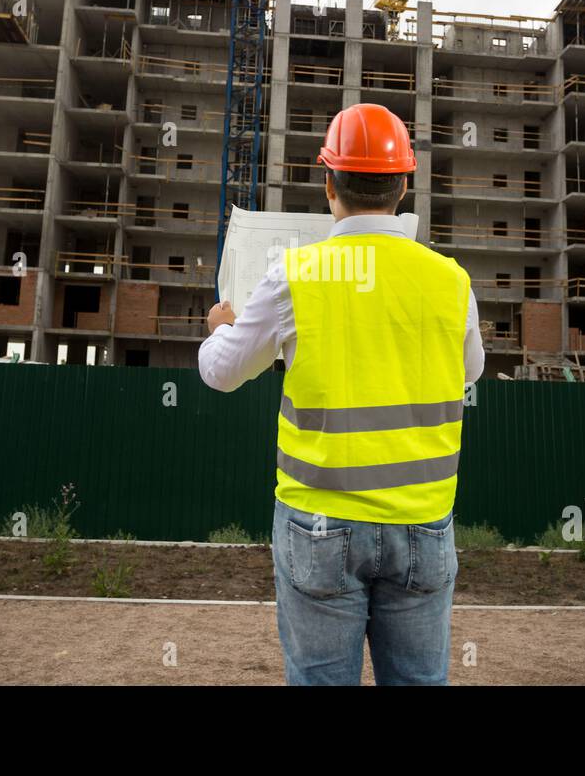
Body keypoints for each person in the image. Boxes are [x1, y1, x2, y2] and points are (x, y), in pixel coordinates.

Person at [198, 102, 485, 685]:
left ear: (329, 185)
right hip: (424, 527)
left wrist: (222, 326)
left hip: (319, 528)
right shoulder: (451, 280)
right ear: (403, 186)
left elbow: (222, 373)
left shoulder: (295, 275)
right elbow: (470, 372)